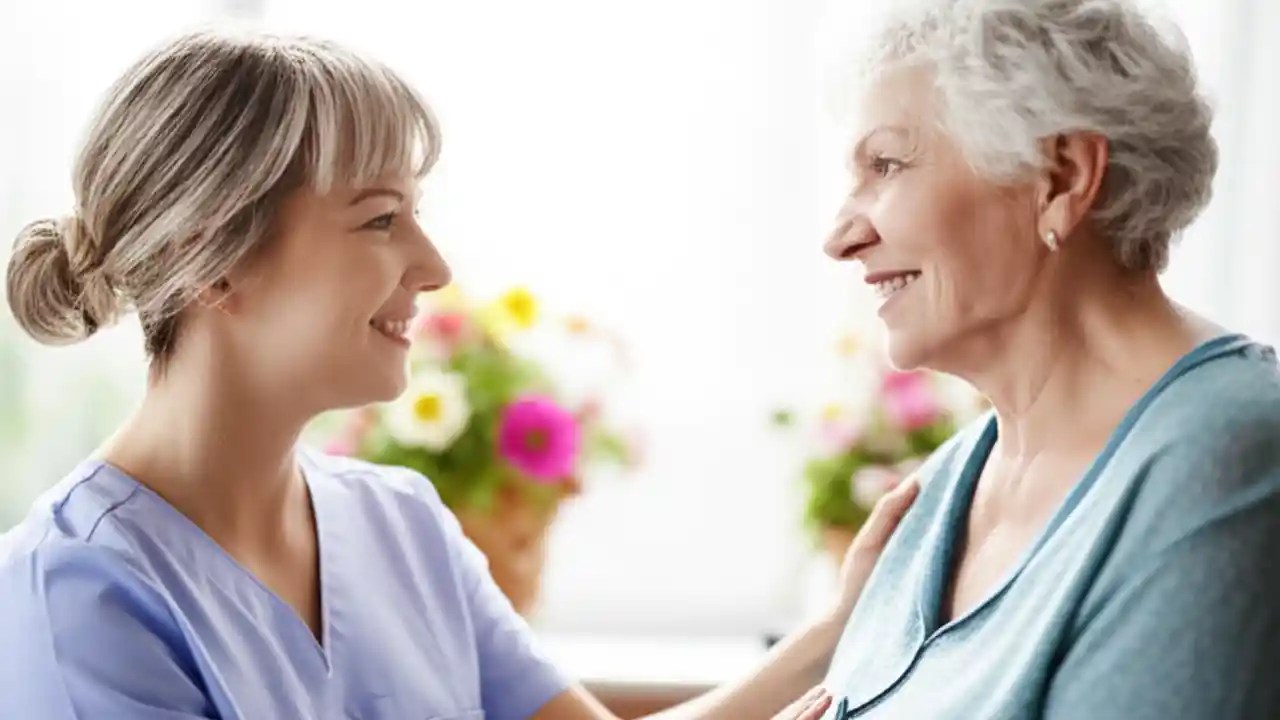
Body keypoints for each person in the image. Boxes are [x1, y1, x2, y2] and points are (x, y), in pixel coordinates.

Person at [0, 29, 908, 720]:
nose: (433, 265)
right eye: (379, 219)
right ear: (212, 255)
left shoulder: (400, 525)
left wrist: (833, 634)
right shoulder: (73, 594)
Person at [817, 0, 1280, 717]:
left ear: (1060, 178)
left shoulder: (1232, 460)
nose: (841, 236)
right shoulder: (939, 491)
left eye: (887, 164)